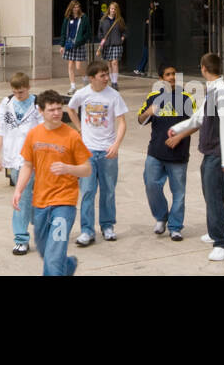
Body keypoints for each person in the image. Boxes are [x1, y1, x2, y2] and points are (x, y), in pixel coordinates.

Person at [11, 89, 92, 276]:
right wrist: (18, 190)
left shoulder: (71, 136)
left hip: (64, 202)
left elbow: (87, 169)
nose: (56, 113)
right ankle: (68, 266)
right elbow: (27, 165)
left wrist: (68, 168)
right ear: (40, 111)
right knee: (44, 249)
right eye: (51, 110)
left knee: (54, 253)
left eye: (58, 108)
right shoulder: (33, 135)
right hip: (40, 202)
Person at [165, 52, 224, 261]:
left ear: (203, 68)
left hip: (217, 154)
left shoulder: (221, 91)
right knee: (212, 195)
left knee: (213, 196)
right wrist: (178, 127)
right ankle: (220, 227)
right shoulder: (213, 91)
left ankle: (222, 243)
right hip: (212, 152)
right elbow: (200, 117)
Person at [67, 59, 128, 247]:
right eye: (102, 75)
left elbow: (122, 122)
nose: (106, 78)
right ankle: (87, 231)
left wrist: (116, 144)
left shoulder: (114, 96)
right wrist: (80, 129)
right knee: (87, 191)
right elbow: (70, 108)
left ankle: (108, 226)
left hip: (108, 151)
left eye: (107, 74)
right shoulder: (82, 94)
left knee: (108, 191)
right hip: (87, 152)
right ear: (92, 78)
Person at [137, 64, 195, 241]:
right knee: (151, 185)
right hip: (155, 152)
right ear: (161, 79)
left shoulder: (186, 98)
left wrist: (179, 137)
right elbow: (140, 120)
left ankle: (175, 227)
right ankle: (161, 217)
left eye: (174, 74)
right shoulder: (153, 97)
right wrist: (150, 111)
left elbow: (195, 123)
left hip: (178, 155)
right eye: (168, 75)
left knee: (179, 193)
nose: (172, 77)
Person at [0, 71, 43, 255]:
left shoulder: (37, 104)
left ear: (28, 88)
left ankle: (22, 237)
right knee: (24, 197)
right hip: (13, 157)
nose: (18, 95)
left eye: (21, 92)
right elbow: (1, 129)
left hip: (31, 158)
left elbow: (42, 130)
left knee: (22, 197)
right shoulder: (6, 104)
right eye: (15, 92)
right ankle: (31, 230)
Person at [59, 0, 91, 95]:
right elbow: (63, 32)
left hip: (79, 45)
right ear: (71, 8)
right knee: (70, 65)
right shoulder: (67, 18)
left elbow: (88, 33)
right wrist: (62, 45)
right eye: (74, 7)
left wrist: (82, 40)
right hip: (69, 44)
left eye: (77, 7)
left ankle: (85, 79)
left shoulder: (83, 17)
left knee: (78, 67)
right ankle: (72, 86)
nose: (76, 9)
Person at [97, 1, 126, 89]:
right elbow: (100, 32)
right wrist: (102, 39)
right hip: (107, 45)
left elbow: (124, 30)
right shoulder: (103, 20)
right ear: (109, 9)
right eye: (112, 9)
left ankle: (115, 82)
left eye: (115, 9)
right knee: (109, 64)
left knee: (115, 63)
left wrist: (123, 37)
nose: (113, 10)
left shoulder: (120, 20)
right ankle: (111, 81)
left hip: (116, 44)